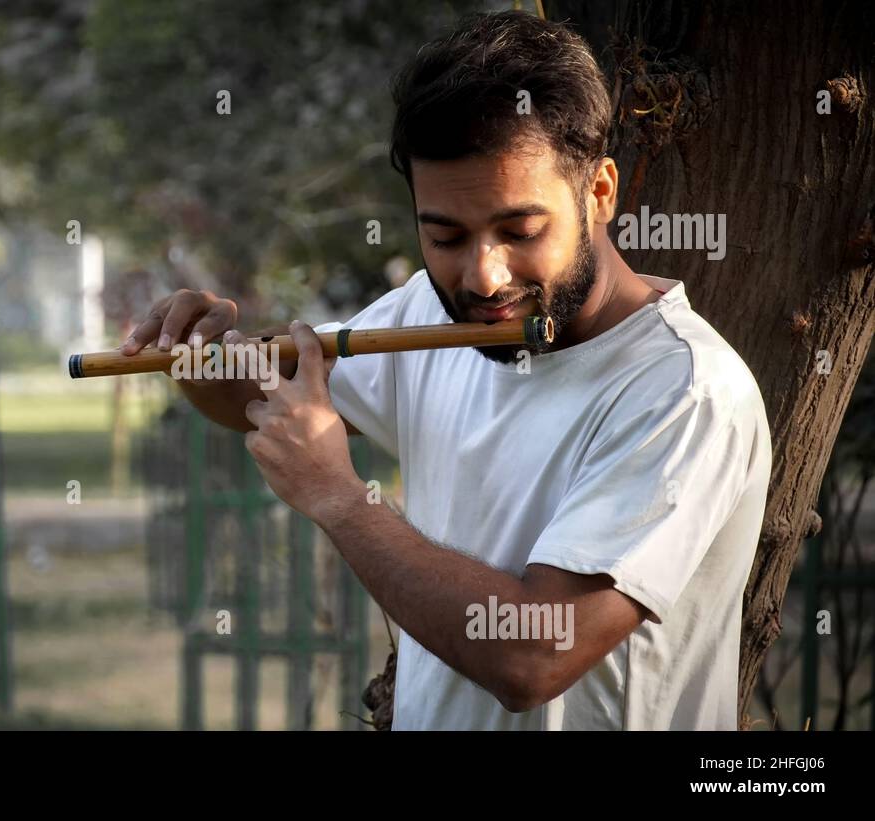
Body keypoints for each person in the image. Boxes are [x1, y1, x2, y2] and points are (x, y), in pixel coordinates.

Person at [119, 10, 770, 730]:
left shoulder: (684, 389)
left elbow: (533, 657)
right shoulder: (424, 314)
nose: (484, 277)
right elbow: (263, 388)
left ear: (601, 193)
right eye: (446, 235)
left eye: (520, 232)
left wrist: (338, 497)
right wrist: (198, 352)